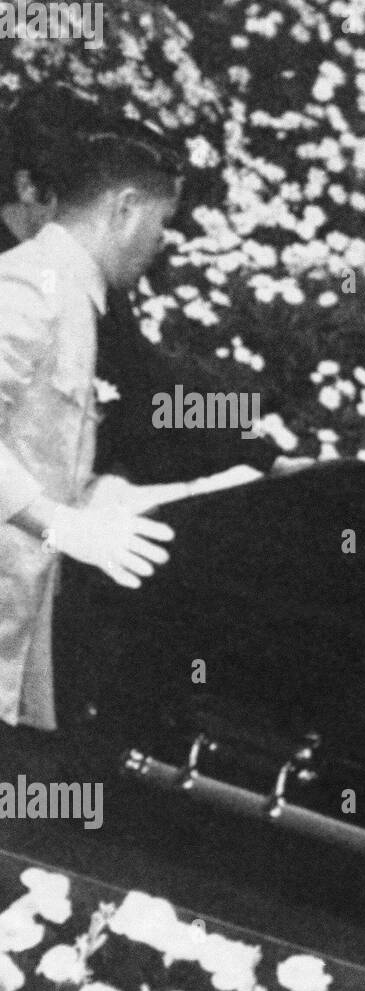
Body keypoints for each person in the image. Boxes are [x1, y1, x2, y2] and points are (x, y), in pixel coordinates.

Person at [0, 119, 193, 730]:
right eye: (163, 224)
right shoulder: (31, 280)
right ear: (126, 209)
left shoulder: (74, 298)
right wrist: (62, 524)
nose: (162, 242)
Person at [0, 87, 283, 484]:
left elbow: (148, 382)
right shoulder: (24, 277)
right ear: (29, 187)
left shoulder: (88, 272)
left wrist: (260, 454)